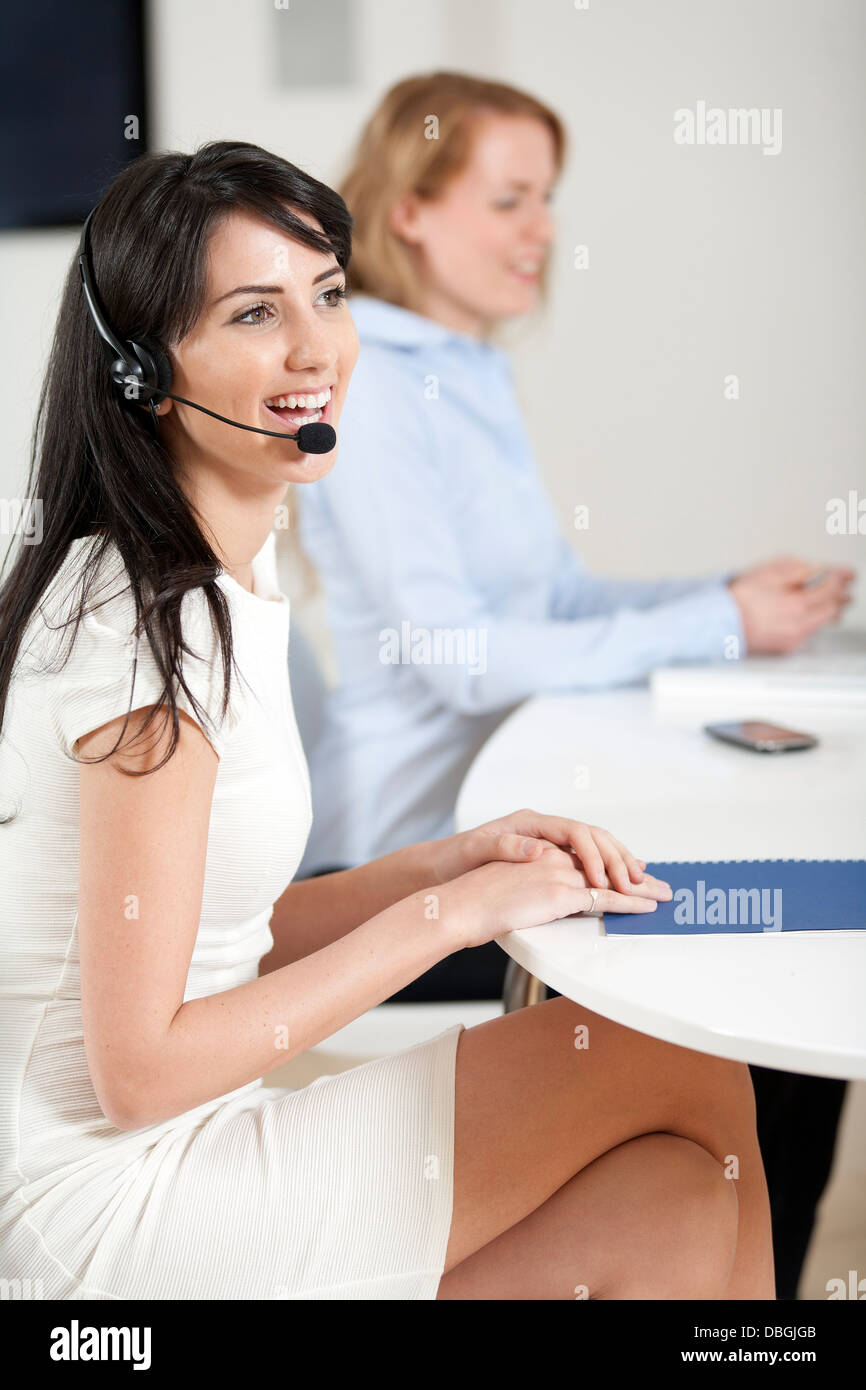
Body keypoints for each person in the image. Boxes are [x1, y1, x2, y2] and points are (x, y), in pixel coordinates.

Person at [0, 140, 774, 1301]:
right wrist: (447, 911)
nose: (316, 349)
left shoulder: (213, 584)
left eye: (327, 295)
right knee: (673, 1064)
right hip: (113, 1211)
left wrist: (443, 860)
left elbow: (221, 934)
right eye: (255, 313)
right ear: (145, 373)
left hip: (175, 1153)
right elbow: (141, 1072)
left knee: (671, 1206)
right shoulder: (147, 632)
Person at [292, 73, 853, 1297]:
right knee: (754, 982)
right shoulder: (373, 387)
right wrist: (710, 621)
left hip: (506, 817)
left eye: (548, 198)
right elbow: (463, 655)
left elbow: (547, 603)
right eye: (509, 198)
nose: (543, 229)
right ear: (409, 212)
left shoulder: (463, 370)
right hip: (405, 861)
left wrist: (726, 599)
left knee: (773, 939)